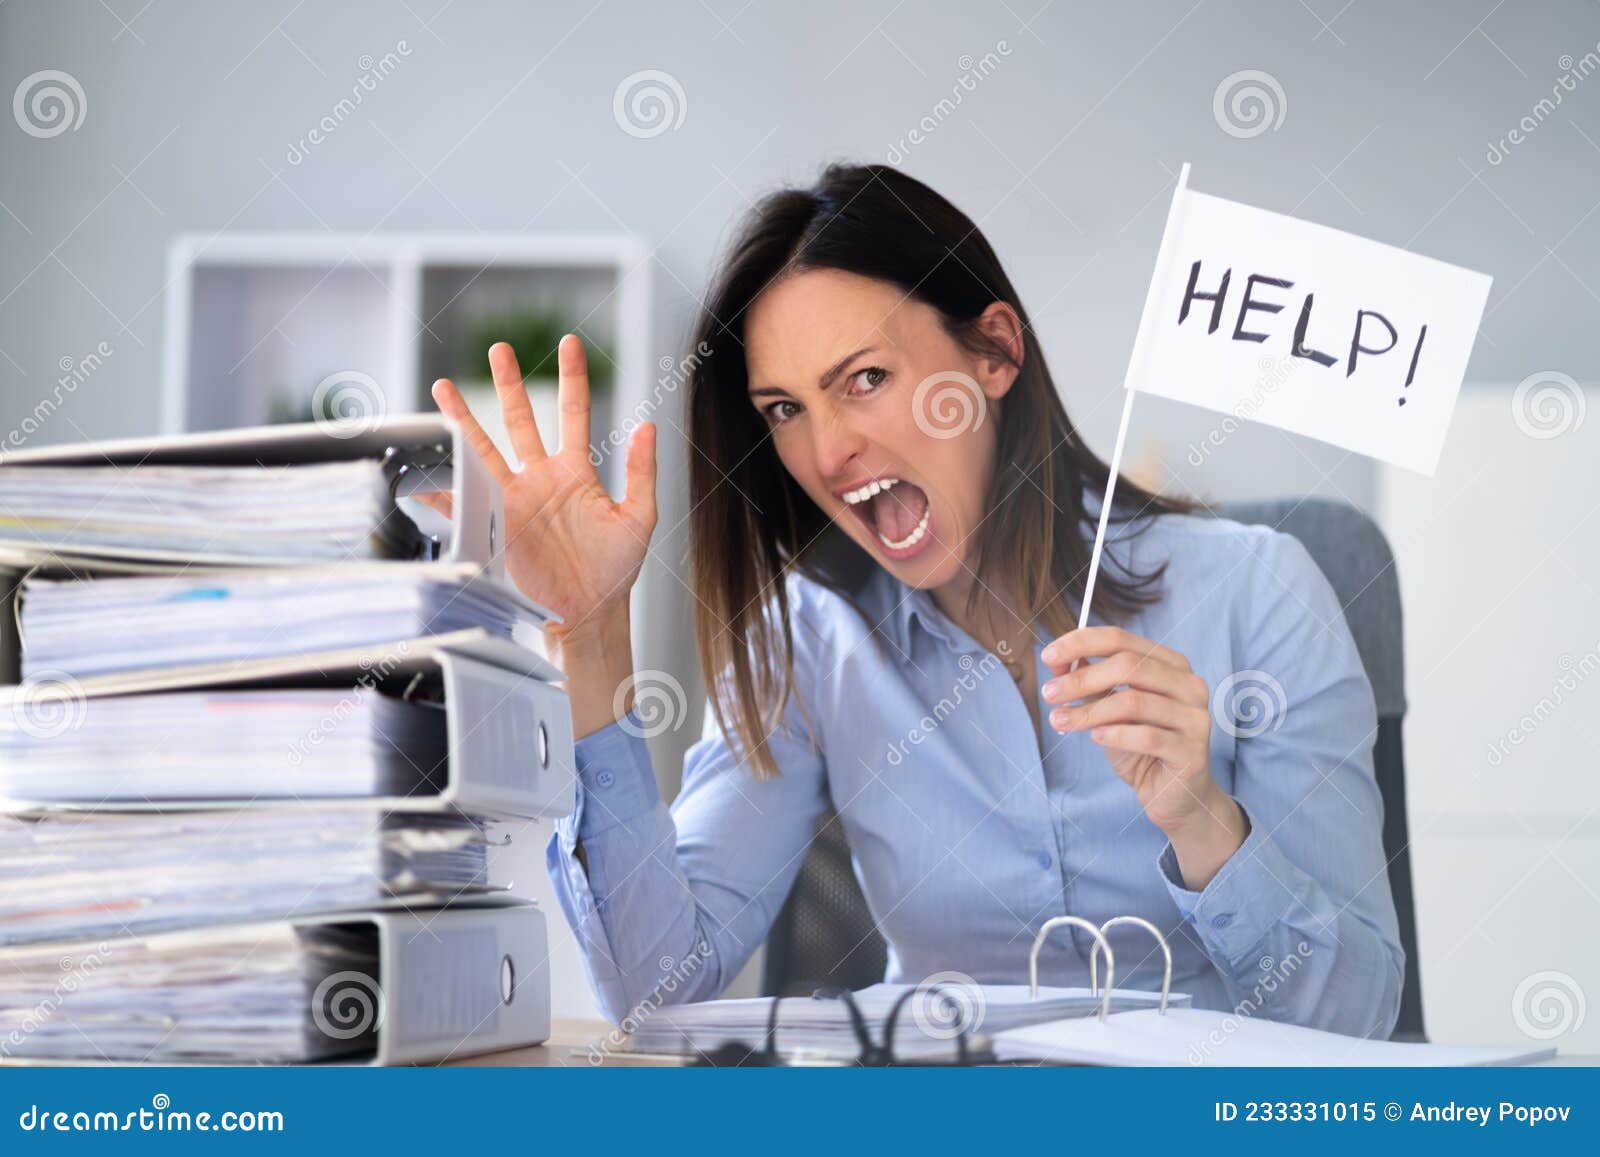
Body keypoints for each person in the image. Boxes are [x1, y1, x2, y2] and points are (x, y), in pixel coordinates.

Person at [424, 163, 1403, 1039]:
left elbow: (1357, 1018)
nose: (825, 450)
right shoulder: (807, 641)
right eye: (784, 409)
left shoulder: (1259, 591)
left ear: (994, 355)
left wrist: (1202, 821)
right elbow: (654, 987)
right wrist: (591, 631)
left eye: (865, 379)